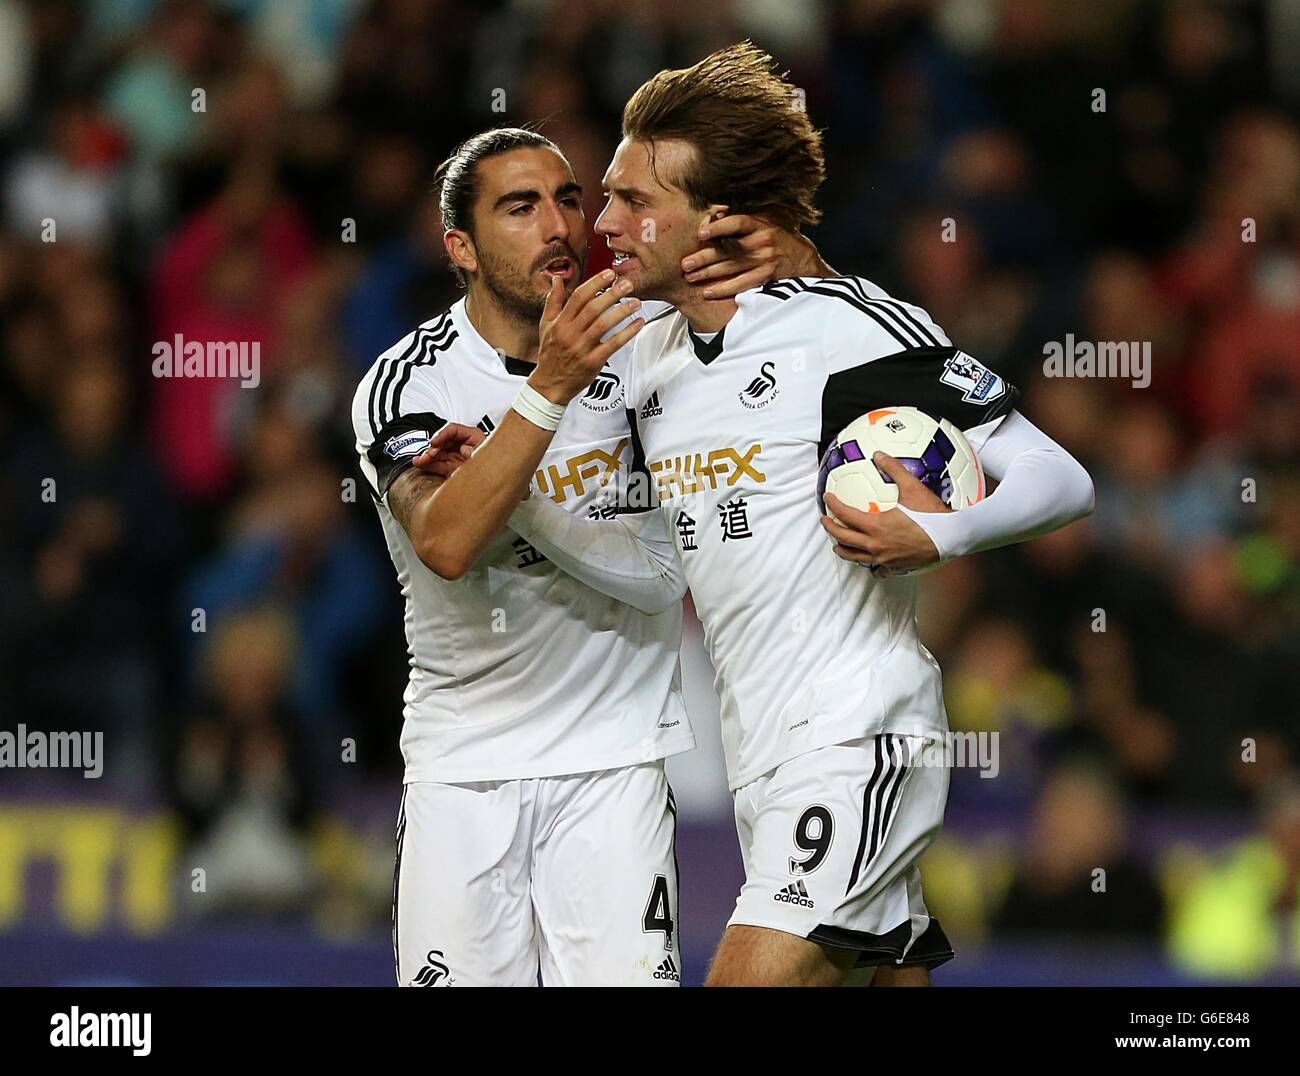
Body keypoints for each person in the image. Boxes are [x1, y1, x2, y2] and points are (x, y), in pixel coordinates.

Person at [434, 43, 1095, 986]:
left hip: (860, 735)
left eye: (633, 202)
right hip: (762, 761)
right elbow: (664, 564)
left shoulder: (849, 328)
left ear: (721, 221)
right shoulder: (646, 355)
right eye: (607, 195)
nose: (603, 222)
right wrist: (526, 505)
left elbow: (1058, 476)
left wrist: (936, 531)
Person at [350, 126, 827, 986]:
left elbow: (798, 313)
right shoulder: (410, 380)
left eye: (569, 199)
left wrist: (792, 249)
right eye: (520, 207)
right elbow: (447, 541)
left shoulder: (648, 334)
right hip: (465, 771)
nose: (559, 225)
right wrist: (549, 389)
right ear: (460, 245)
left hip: (617, 767)